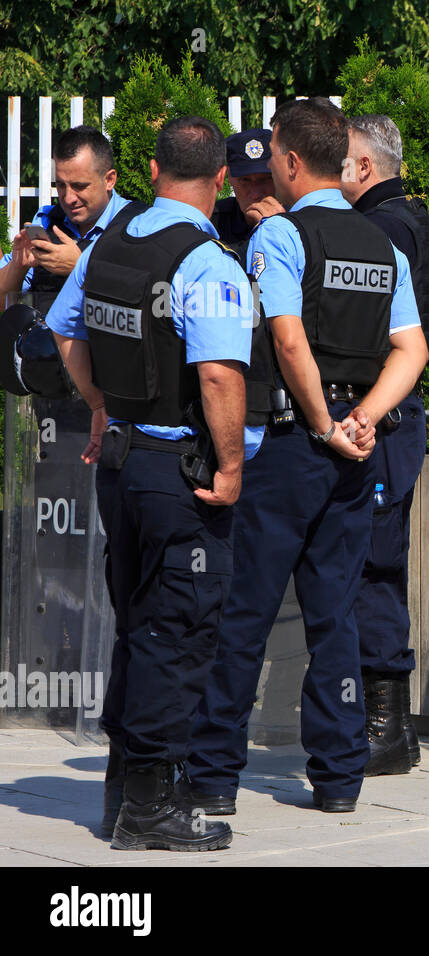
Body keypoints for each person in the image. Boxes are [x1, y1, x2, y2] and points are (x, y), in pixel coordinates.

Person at [184, 97, 427, 814]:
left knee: (247, 613)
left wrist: (324, 423)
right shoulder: (382, 243)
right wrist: (363, 420)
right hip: (355, 453)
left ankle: (214, 779)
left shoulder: (281, 238)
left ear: (289, 161)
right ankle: (340, 778)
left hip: (293, 445)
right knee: (335, 616)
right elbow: (411, 349)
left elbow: (287, 339)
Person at [45, 115, 262, 850]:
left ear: (148, 168)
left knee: (139, 628)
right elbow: (218, 374)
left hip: (122, 464)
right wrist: (231, 468)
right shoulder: (208, 262)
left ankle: (123, 791)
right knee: (178, 634)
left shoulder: (111, 244)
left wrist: (103, 407)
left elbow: (64, 330)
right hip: (180, 474)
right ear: (223, 177)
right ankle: (150, 808)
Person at [340, 113, 429, 774]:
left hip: (380, 420)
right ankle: (388, 727)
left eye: (342, 161)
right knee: (369, 564)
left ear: (366, 167)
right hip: (390, 418)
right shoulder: (408, 218)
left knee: (373, 569)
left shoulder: (382, 227)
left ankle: (384, 726)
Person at [0, 125, 137, 312]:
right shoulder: (46, 221)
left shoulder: (138, 226)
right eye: (61, 185)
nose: (69, 198)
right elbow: (3, 302)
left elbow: (152, 299)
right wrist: (18, 266)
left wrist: (80, 267)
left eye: (79, 186)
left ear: (109, 180)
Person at [211, 128, 282, 252]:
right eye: (245, 180)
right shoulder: (214, 221)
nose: (255, 194)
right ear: (229, 178)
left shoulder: (298, 220)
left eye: (265, 179)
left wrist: (281, 230)